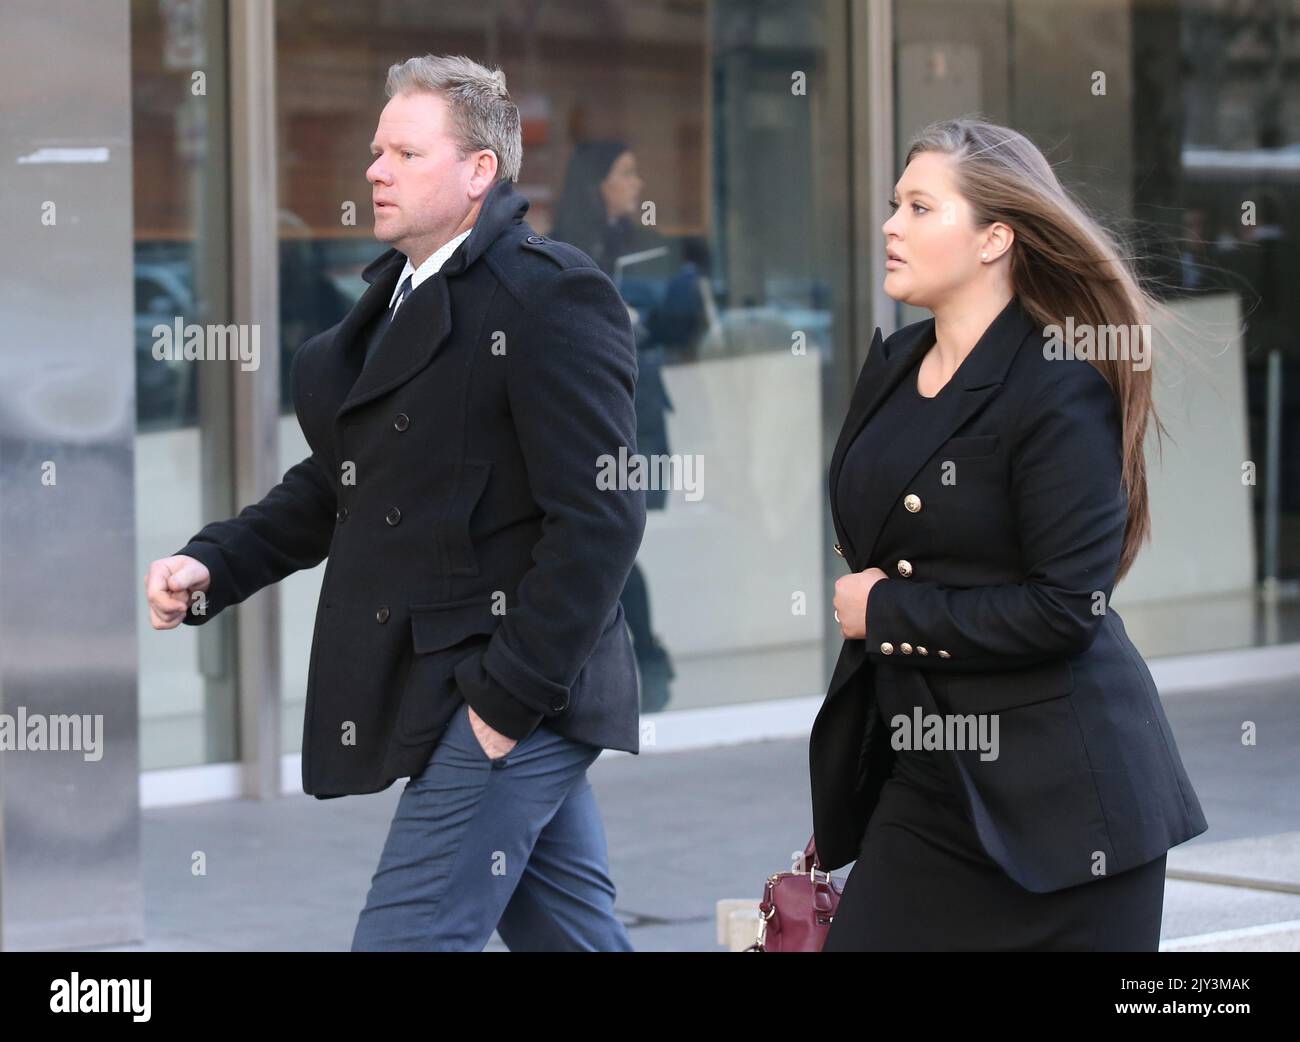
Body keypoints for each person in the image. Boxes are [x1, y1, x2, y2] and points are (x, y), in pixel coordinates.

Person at [143, 54, 644, 952]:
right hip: (456, 686)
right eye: (377, 151)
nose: (373, 169)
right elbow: (341, 484)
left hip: (510, 685)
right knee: (573, 939)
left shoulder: (548, 294)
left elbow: (603, 515)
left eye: (405, 153)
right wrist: (216, 560)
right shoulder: (395, 298)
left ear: (478, 171)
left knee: (402, 939)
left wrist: (507, 704)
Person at [810, 117, 1208, 951]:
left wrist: (889, 615)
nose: (891, 225)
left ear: (995, 238)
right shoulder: (894, 367)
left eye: (921, 207)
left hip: (1069, 814)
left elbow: (1067, 607)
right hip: (926, 789)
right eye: (894, 204)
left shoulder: (1058, 382)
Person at [551, 140, 688, 711]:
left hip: (636, 413)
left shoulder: (642, 245)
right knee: (603, 544)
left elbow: (683, 323)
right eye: (625, 173)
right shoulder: (565, 251)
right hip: (582, 420)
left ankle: (638, 667)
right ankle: (627, 667)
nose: (636, 185)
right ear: (595, 184)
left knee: (619, 540)